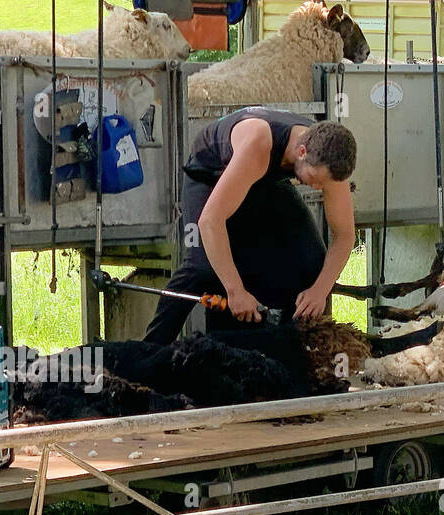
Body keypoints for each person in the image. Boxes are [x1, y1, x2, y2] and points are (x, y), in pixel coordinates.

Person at [144, 109, 357, 345]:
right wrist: (235, 291)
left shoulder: (330, 161)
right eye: (315, 179)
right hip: (211, 173)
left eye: (325, 184)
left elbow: (344, 235)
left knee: (313, 263)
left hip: (264, 179)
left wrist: (320, 290)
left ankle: (297, 353)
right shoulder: (259, 142)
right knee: (201, 268)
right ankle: (149, 353)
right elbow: (211, 221)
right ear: (302, 151)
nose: (318, 188)